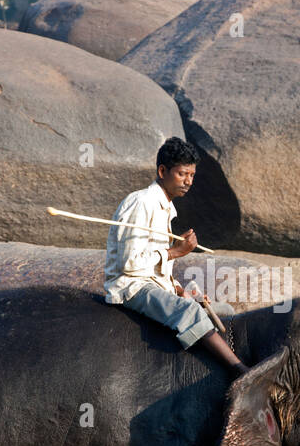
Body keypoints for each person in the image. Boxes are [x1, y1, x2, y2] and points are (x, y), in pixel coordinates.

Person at [103, 137, 250, 378]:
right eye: (182, 174)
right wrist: (175, 252)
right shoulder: (142, 202)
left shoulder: (167, 208)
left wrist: (180, 290)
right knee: (189, 313)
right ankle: (240, 372)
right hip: (131, 286)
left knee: (219, 308)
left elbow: (158, 268)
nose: (188, 181)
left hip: (151, 283)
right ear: (163, 171)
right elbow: (128, 263)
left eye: (192, 175)